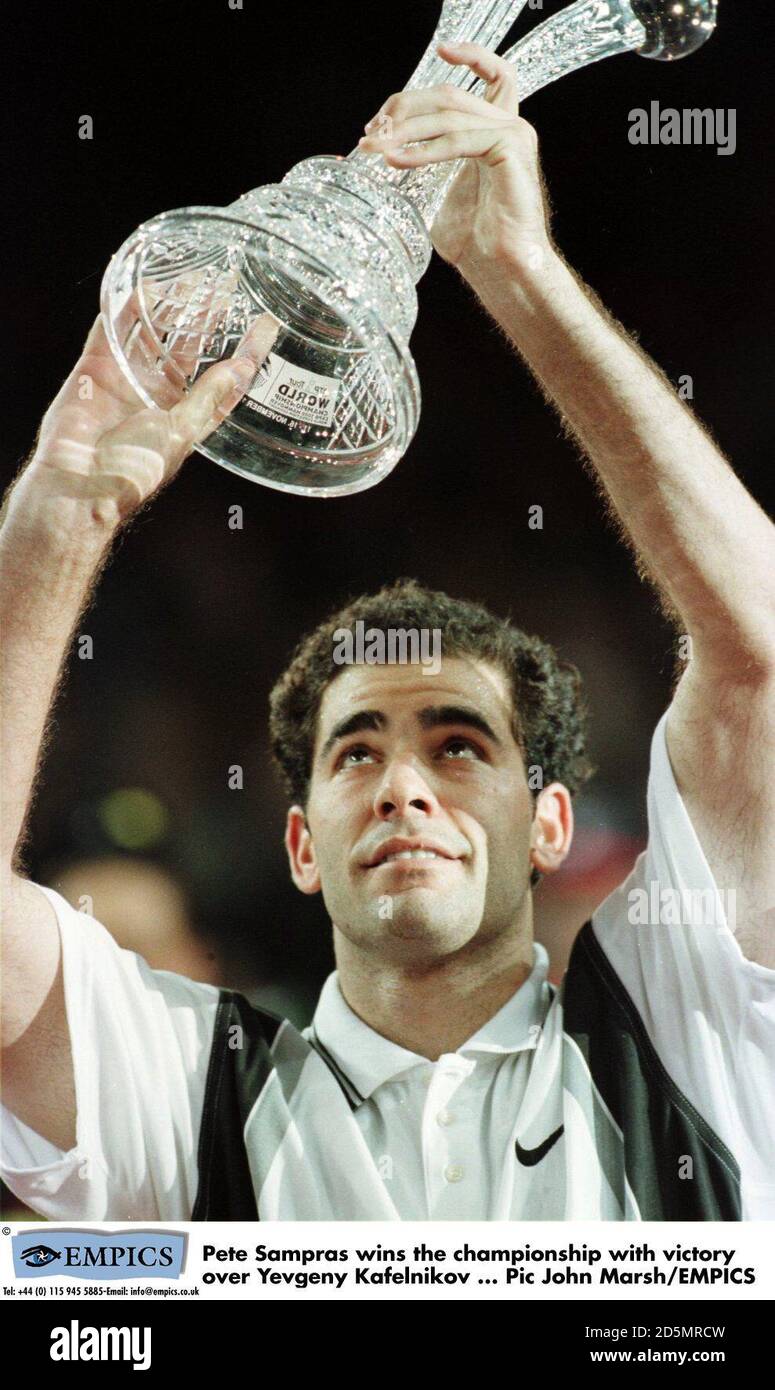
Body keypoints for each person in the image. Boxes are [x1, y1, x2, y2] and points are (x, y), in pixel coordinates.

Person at [1, 43, 773, 1222]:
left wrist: (514, 267)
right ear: (302, 845)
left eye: (459, 745)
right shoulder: (178, 1083)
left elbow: (756, 655)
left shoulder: (686, 1032)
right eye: (357, 752)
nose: (403, 788)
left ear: (549, 823)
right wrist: (61, 514)